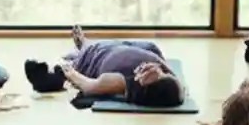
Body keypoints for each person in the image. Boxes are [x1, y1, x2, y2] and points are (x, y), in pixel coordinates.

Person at [28, 26, 184, 108]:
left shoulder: (122, 82)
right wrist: (160, 72)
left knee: (80, 57)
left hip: (96, 57)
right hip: (133, 48)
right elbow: (179, 88)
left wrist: (66, 70)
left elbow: (87, 85)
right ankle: (83, 45)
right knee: (150, 47)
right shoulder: (167, 77)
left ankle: (80, 49)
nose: (147, 69)